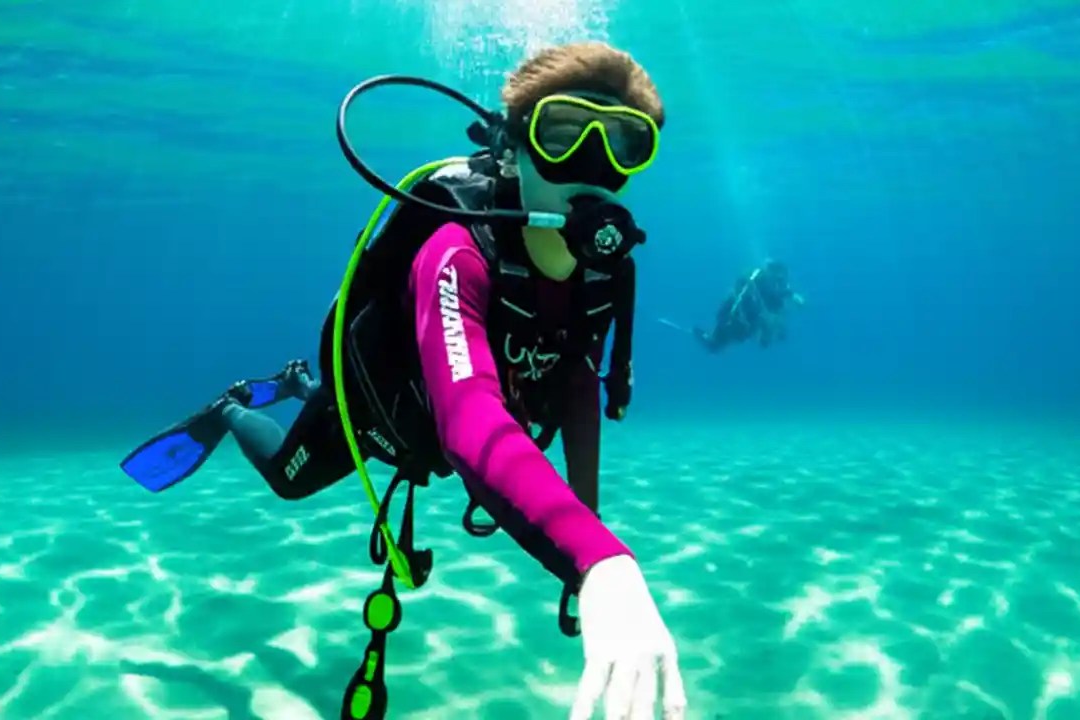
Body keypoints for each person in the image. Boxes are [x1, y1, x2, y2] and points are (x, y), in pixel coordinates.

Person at [120, 41, 686, 720]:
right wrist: (600, 560)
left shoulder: (604, 274)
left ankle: (296, 383)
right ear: (515, 148)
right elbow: (470, 417)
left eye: (626, 143)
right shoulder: (456, 250)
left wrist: (583, 539)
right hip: (384, 413)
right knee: (288, 480)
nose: (593, 167)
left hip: (455, 416)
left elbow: (574, 382)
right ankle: (239, 405)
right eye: (562, 135)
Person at [694, 259, 804, 352]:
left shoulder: (760, 282)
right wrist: (791, 295)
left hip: (737, 317)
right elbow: (771, 294)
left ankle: (707, 337)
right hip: (737, 316)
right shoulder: (764, 278)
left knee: (717, 343)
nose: (782, 282)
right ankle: (705, 336)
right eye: (781, 278)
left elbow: (773, 306)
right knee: (718, 342)